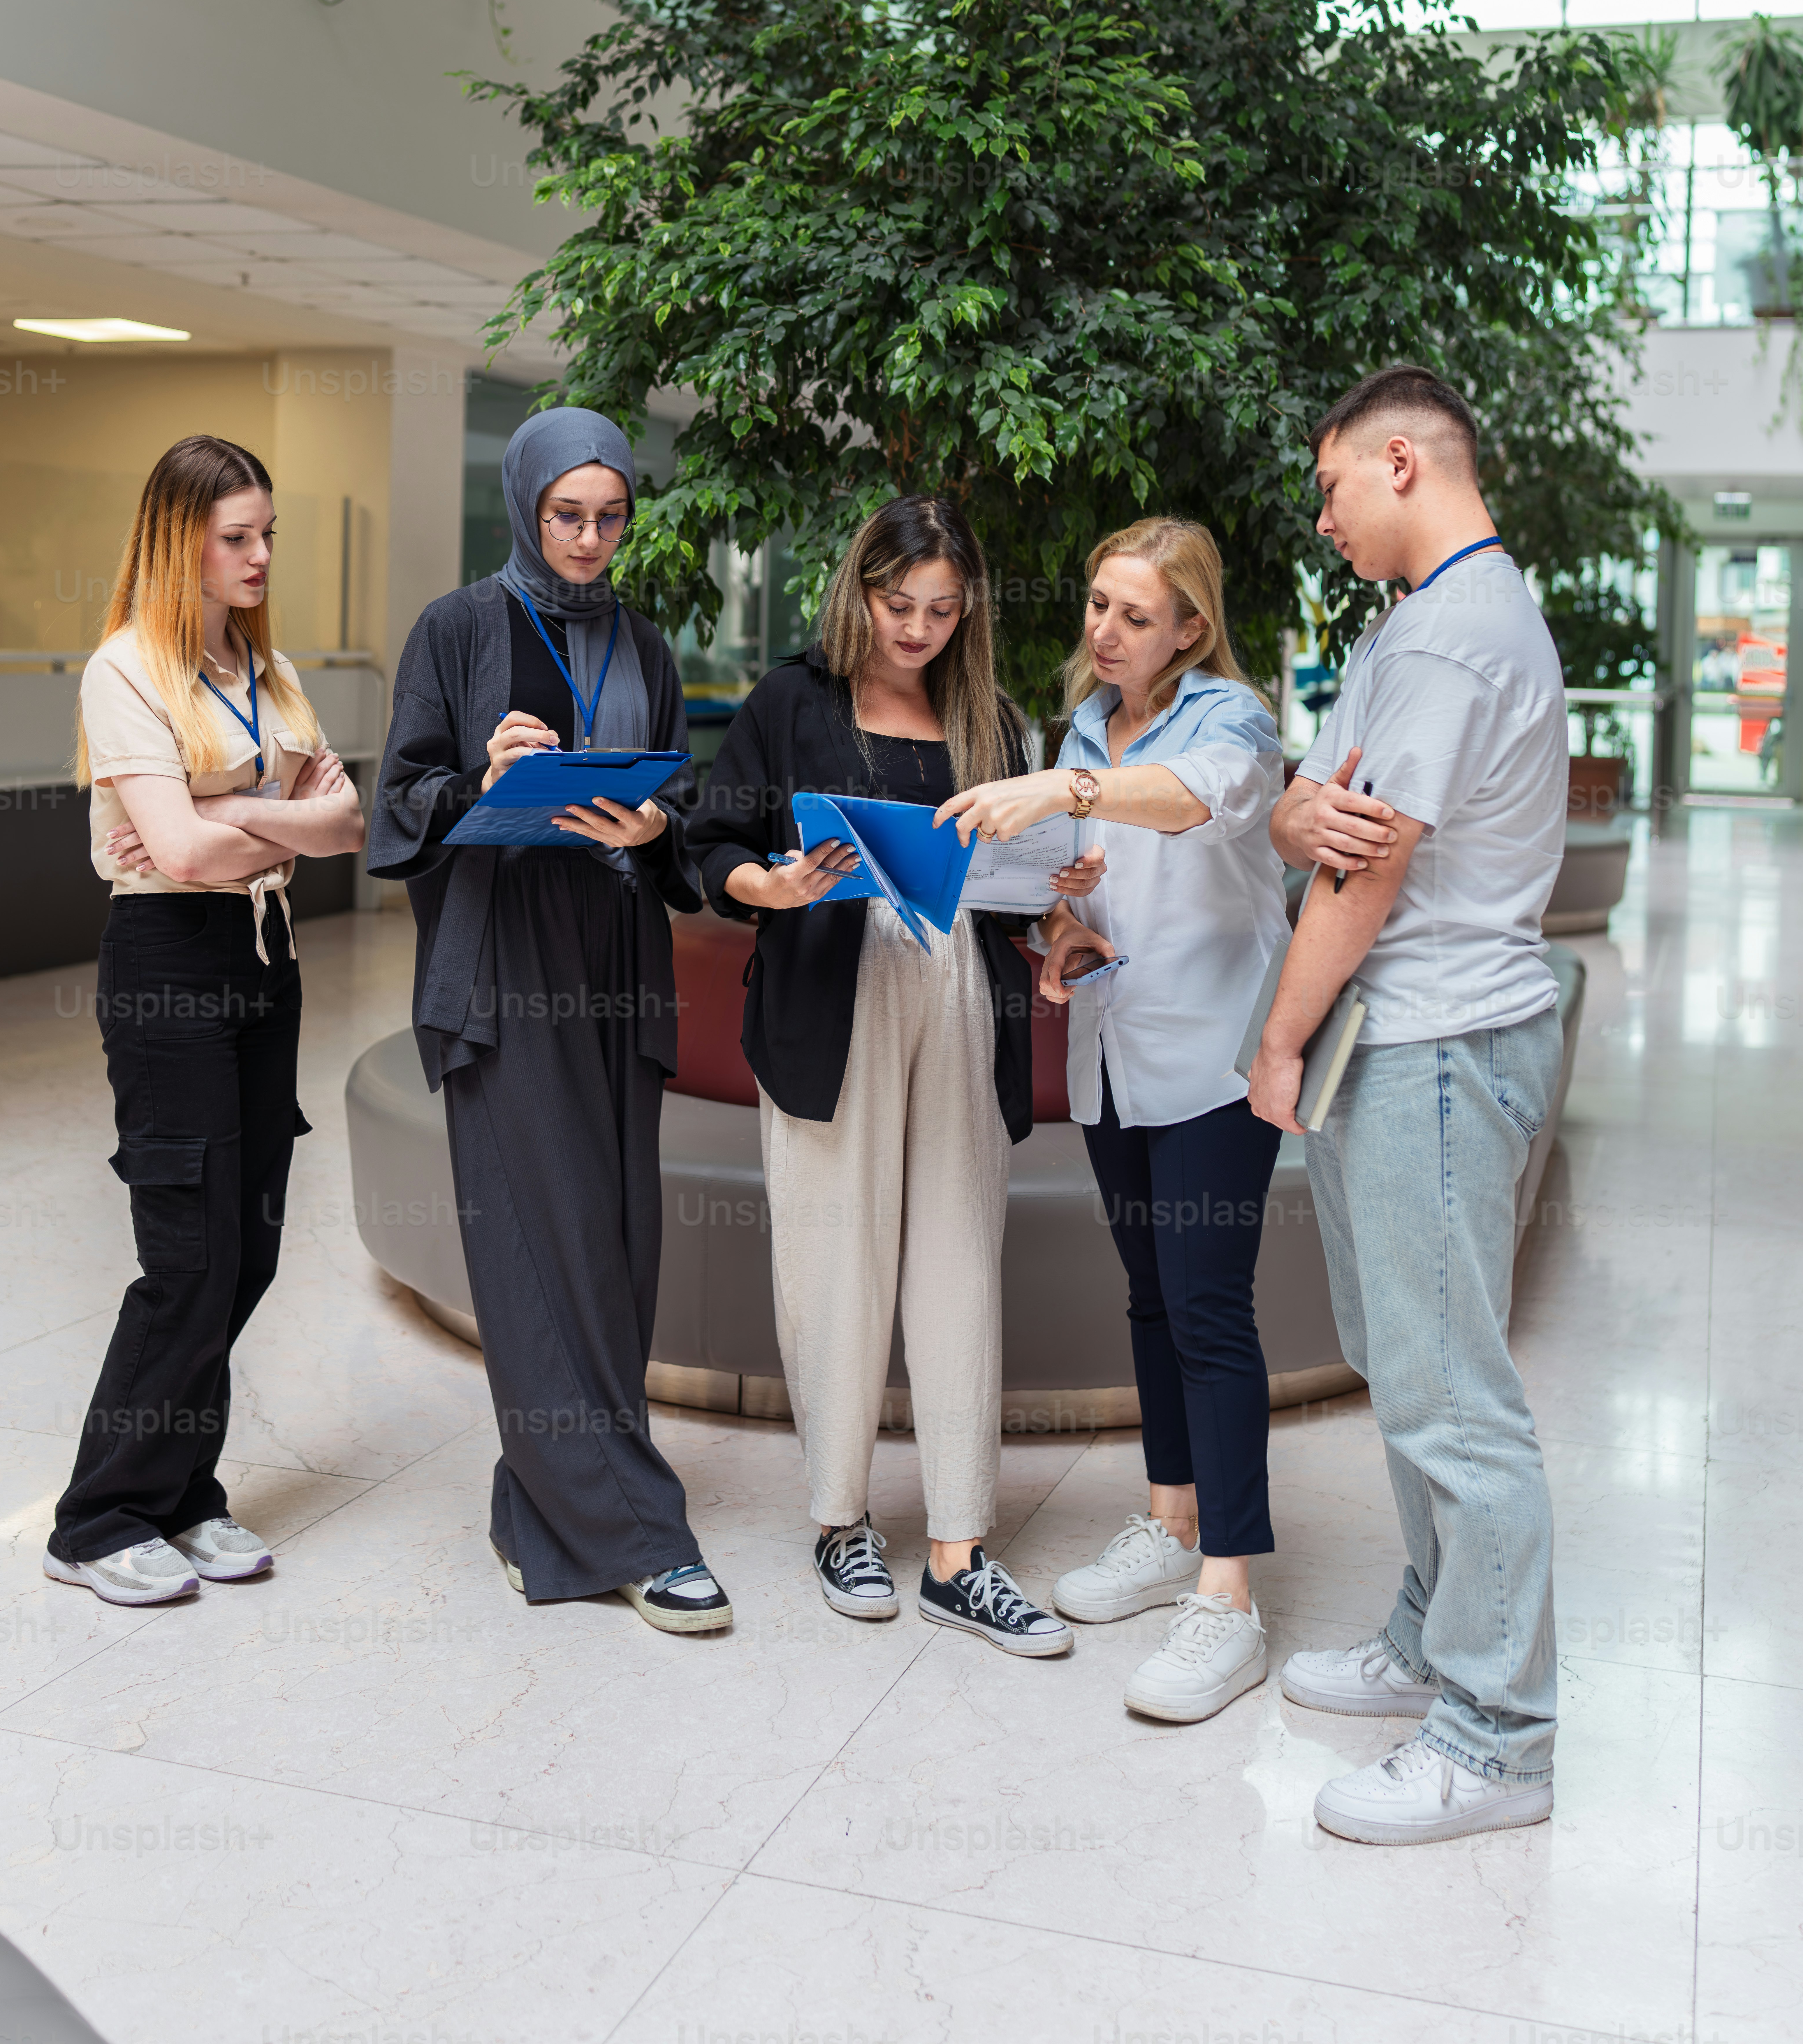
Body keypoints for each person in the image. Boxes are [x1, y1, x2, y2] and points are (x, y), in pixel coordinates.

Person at [1251, 364, 1566, 1846]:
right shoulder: (1416, 625)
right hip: (1410, 1044)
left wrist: (1279, 1036)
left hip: (1435, 1041)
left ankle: (1498, 1739)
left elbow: (1361, 871)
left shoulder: (1452, 637)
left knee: (1455, 1400)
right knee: (1404, 1359)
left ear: (1396, 463)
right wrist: (1292, 813)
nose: (1322, 521)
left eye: (1327, 490)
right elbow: (1316, 809)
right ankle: (1435, 1634)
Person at [687, 495, 1070, 1657]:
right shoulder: (791, 702)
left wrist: (1064, 892)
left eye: (944, 610)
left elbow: (1028, 885)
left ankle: (959, 1548)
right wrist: (771, 886)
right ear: (860, 592)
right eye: (900, 604)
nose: (919, 629)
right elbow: (712, 844)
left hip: (960, 991)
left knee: (957, 1259)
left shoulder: (995, 719)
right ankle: (839, 1519)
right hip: (828, 989)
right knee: (834, 1259)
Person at [369, 409, 730, 1634]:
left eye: (611, 515)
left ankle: (540, 1507)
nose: (588, 538)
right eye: (567, 515)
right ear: (526, 506)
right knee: (539, 1244)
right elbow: (400, 802)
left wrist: (654, 830)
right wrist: (484, 777)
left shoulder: (647, 640)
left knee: (618, 1249)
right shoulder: (460, 627)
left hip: (619, 960)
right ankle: (628, 1532)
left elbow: (678, 804)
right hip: (506, 962)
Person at [940, 518, 1289, 1725]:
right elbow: (1075, 879)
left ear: (1191, 629)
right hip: (1111, 1050)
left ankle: (1230, 1597)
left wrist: (1071, 787)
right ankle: (1169, 1520)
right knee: (1148, 1299)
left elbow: (1197, 805)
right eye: (1097, 606)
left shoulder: (1230, 721)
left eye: (1136, 617)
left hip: (1211, 1062)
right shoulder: (1085, 727)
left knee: (1207, 1310)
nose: (1104, 631)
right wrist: (1059, 933)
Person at [47, 435, 364, 1608]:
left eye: (267, 533)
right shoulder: (125, 669)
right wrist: (279, 809)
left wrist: (230, 808)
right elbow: (174, 855)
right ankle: (98, 1517)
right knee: (189, 1258)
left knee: (253, 1246)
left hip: (263, 960)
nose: (261, 555)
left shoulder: (270, 674)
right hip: (168, 965)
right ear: (180, 540)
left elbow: (351, 822)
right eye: (237, 537)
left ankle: (182, 1493)